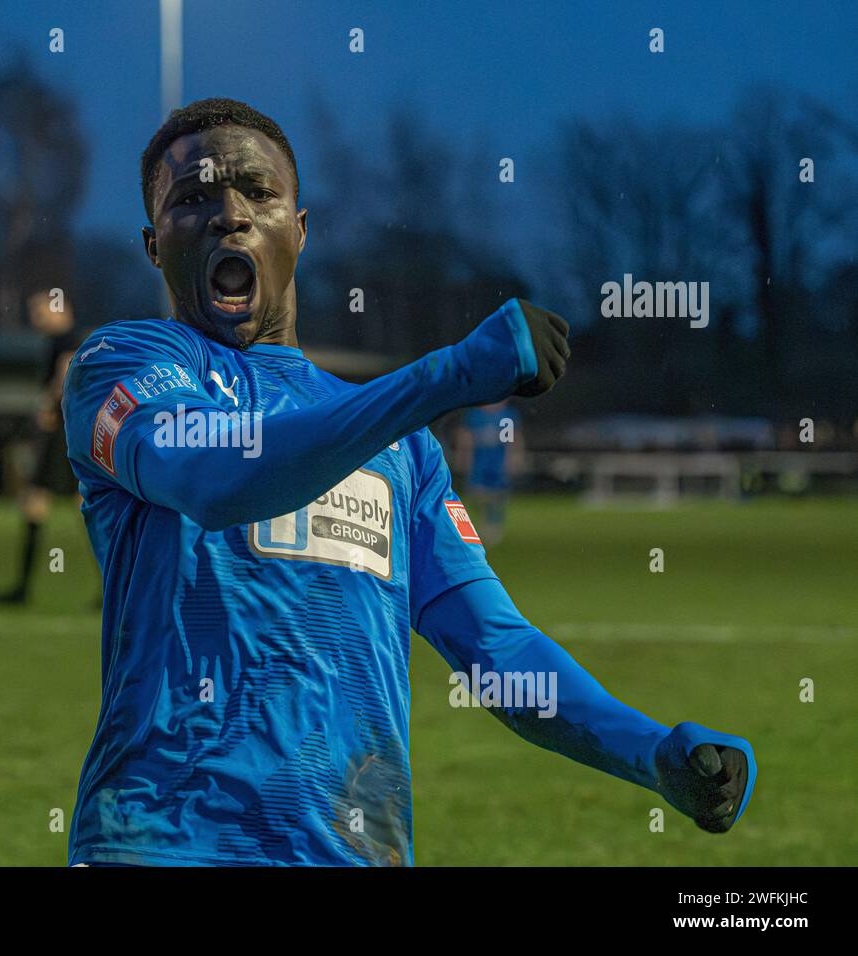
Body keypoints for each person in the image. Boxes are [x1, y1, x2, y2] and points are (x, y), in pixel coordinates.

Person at [56, 99, 756, 866]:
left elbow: (499, 651)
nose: (229, 215)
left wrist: (650, 752)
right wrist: (448, 374)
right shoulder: (125, 366)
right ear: (155, 246)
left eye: (258, 193)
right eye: (192, 199)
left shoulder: (403, 449)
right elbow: (215, 475)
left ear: (300, 227)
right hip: (165, 844)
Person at [0, 290, 83, 605]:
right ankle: (114, 588)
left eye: (41, 313)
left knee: (72, 507)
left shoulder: (67, 340)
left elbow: (65, 373)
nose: (37, 321)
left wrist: (48, 408)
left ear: (61, 309)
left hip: (62, 435)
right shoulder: (65, 339)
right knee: (76, 507)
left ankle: (22, 590)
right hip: (68, 433)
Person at [455, 400, 522, 545]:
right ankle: (485, 520)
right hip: (479, 463)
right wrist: (464, 457)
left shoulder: (505, 417)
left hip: (497, 463)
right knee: (477, 495)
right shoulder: (475, 416)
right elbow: (466, 439)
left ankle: (493, 526)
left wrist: (512, 459)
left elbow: (510, 441)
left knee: (498, 496)